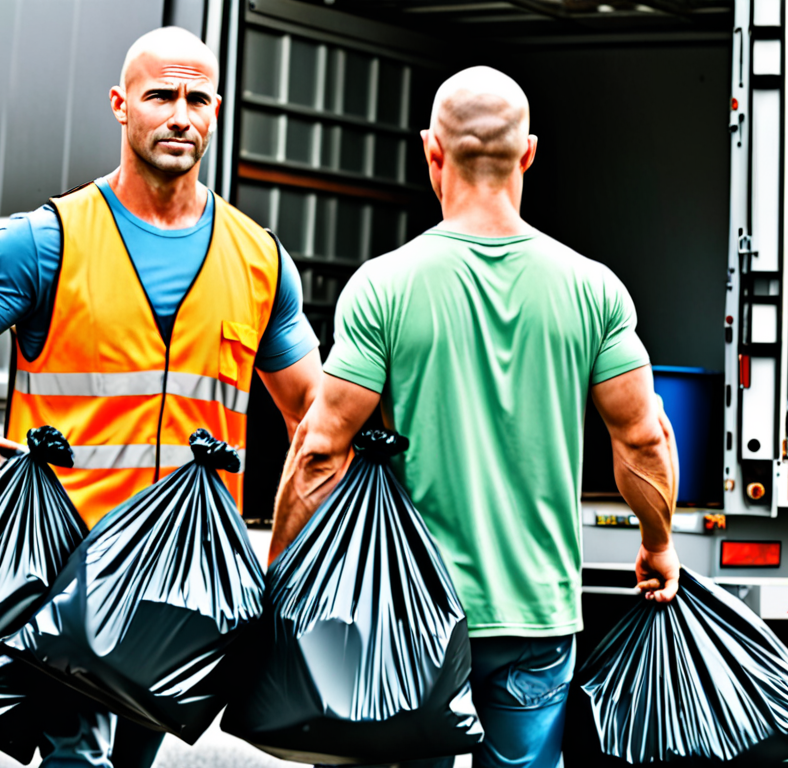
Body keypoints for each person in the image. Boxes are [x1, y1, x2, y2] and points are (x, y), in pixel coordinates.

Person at [0, 26, 321, 768]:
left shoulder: (259, 259)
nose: (180, 115)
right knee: (79, 754)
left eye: (196, 98)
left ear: (216, 110)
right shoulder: (50, 240)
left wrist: (293, 554)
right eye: (161, 96)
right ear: (121, 106)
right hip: (72, 568)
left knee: (130, 759)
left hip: (183, 585)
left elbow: (310, 415)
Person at [268, 66, 681, 768]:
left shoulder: (384, 286)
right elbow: (643, 437)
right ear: (528, 154)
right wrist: (656, 541)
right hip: (537, 612)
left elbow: (319, 450)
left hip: (409, 612)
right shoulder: (593, 289)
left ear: (431, 151)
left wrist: (281, 571)